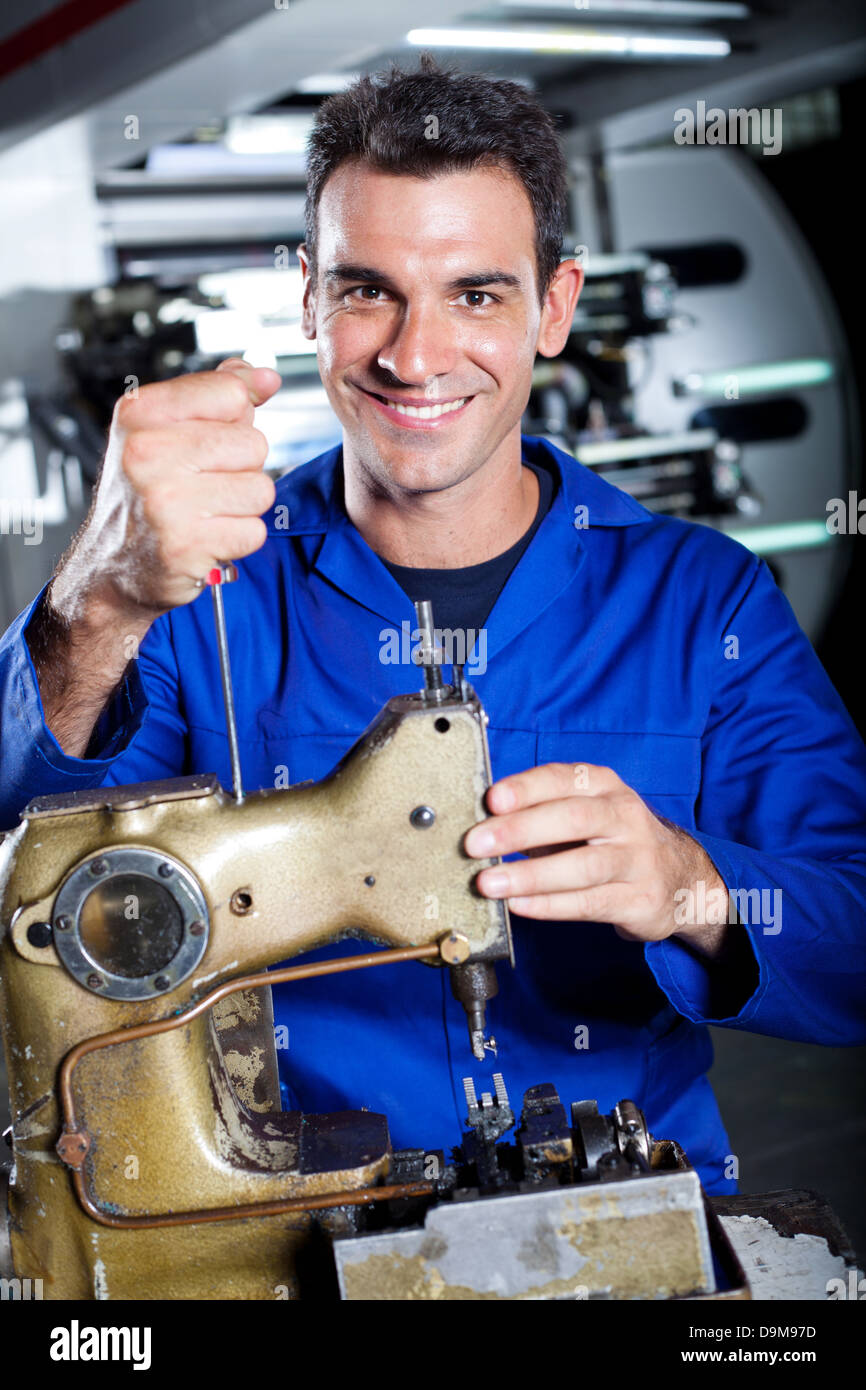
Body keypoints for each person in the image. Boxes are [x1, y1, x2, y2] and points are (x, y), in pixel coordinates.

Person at [1, 58, 864, 1193]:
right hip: (278, 1222)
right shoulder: (193, 596)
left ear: (554, 308)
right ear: (307, 298)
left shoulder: (703, 603)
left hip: (624, 1213)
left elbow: (849, 948)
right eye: (367, 290)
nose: (414, 356)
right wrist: (94, 598)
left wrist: (688, 885)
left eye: (475, 294)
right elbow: (29, 871)